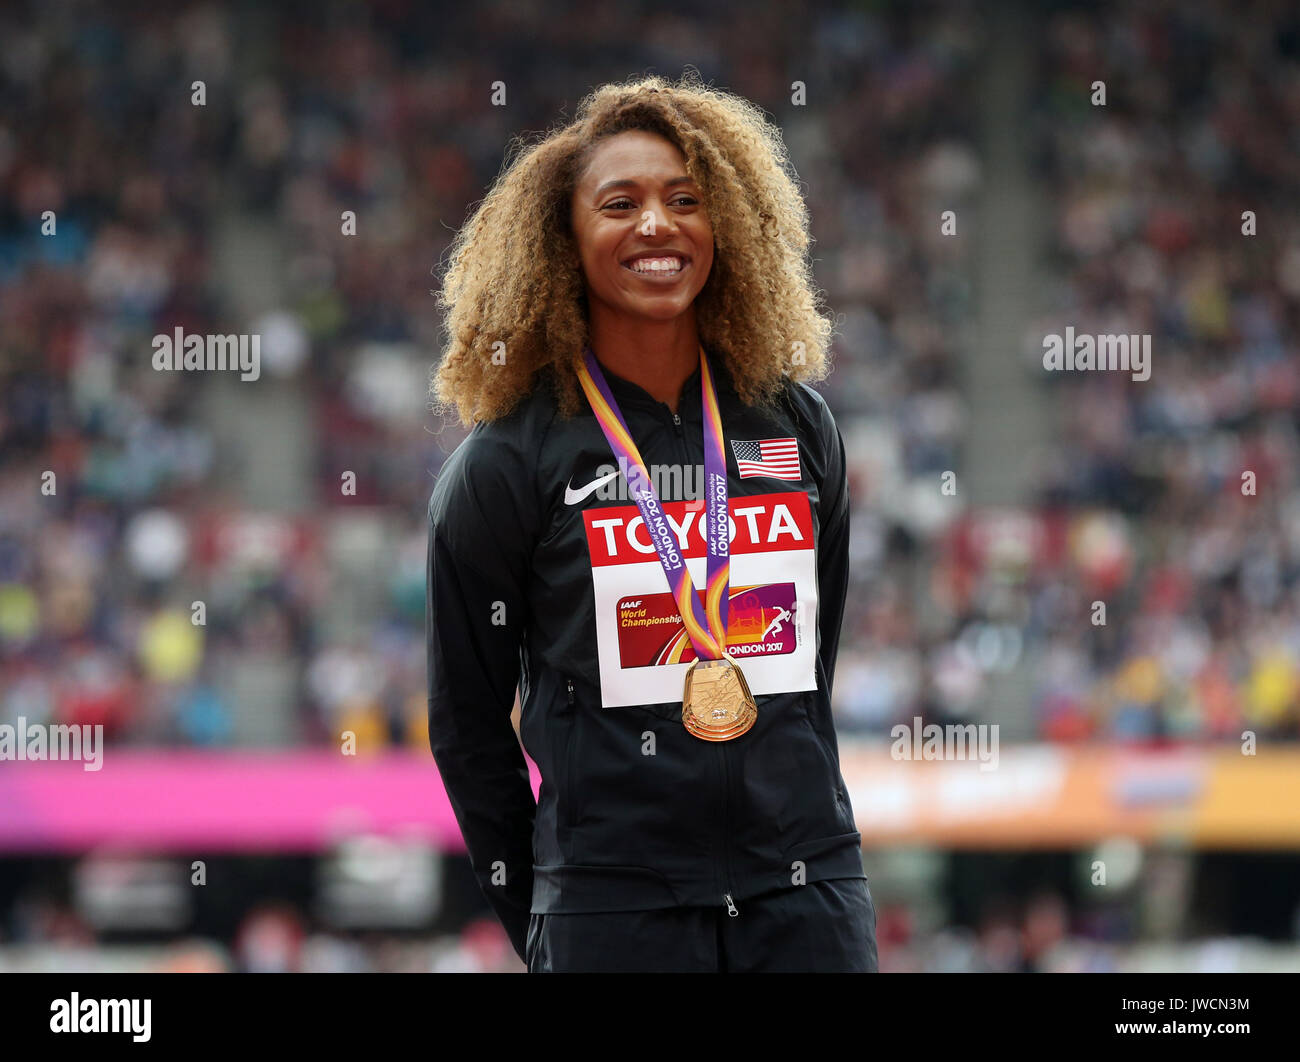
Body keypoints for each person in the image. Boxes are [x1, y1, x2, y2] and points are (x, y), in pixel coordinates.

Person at [426, 72, 877, 973]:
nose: (657, 225)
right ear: (564, 239)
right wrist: (556, 916)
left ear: (730, 226)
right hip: (613, 913)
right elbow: (467, 729)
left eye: (686, 200)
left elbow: (806, 678)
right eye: (619, 203)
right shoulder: (508, 463)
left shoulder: (794, 426)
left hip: (805, 899)